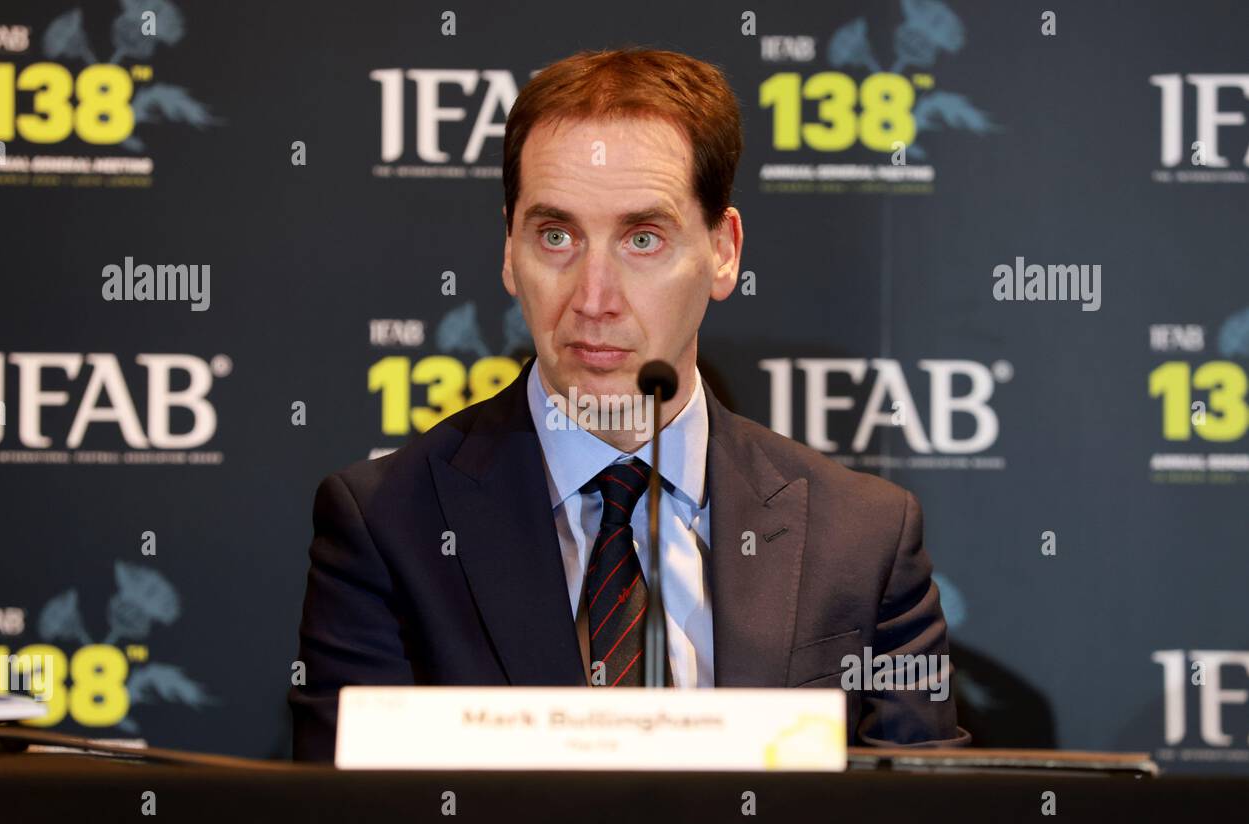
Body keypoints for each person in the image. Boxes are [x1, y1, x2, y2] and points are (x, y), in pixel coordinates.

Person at [289, 47, 969, 762]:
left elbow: (923, 813)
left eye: (642, 239)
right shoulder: (387, 525)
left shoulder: (863, 539)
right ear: (508, 250)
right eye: (556, 236)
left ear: (723, 252)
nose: (593, 299)